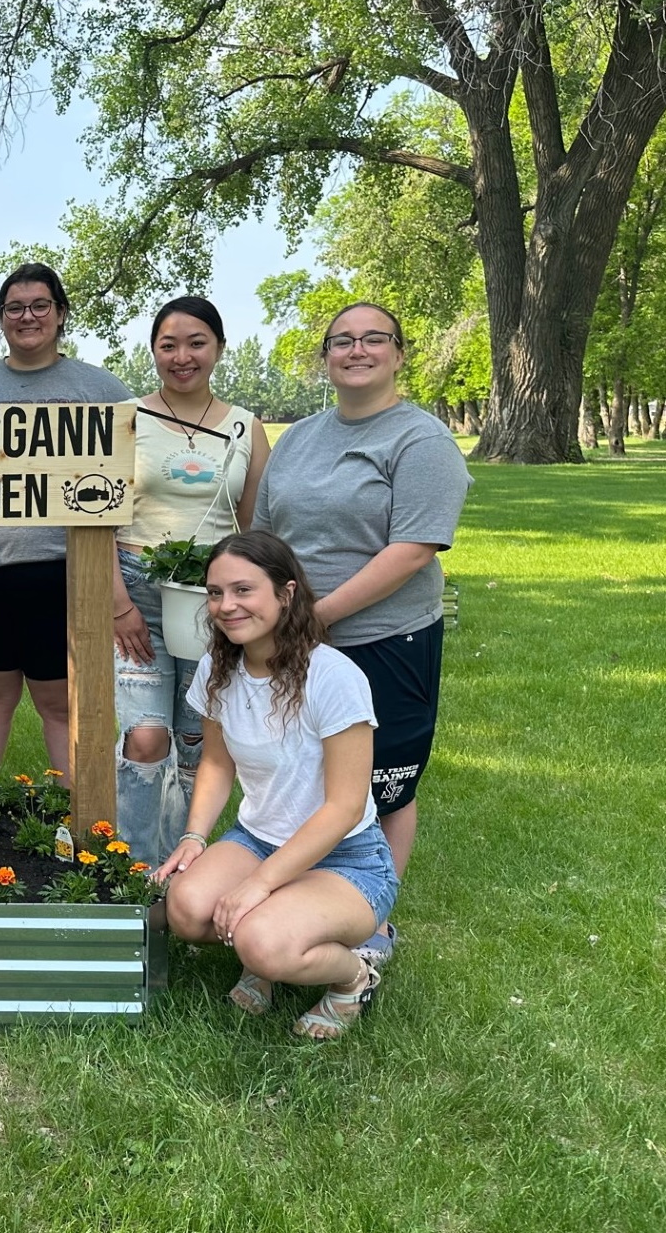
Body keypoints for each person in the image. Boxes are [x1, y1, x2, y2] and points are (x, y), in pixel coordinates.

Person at [253, 302, 470, 967]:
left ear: (399, 354)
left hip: (384, 637)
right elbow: (265, 533)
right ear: (325, 357)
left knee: (382, 780)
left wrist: (318, 614)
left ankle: (373, 921)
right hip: (296, 637)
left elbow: (413, 547)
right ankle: (302, 897)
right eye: (341, 340)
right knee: (303, 774)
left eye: (374, 339)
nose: (356, 350)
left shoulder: (420, 439)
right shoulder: (298, 438)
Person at [152, 532, 396, 1040]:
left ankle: (353, 975)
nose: (226, 605)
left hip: (347, 858)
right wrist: (194, 838)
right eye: (216, 593)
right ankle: (265, 937)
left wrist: (258, 885)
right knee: (186, 911)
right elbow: (216, 763)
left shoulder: (334, 677)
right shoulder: (217, 668)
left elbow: (345, 807)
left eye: (244, 590)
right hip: (258, 839)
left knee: (262, 942)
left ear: (286, 594)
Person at [0, 263, 132, 781]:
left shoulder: (102, 390)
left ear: (61, 313)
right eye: (15, 308)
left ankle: (83, 822)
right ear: (1, 317)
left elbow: (136, 484)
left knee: (64, 706)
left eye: (40, 305)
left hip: (66, 574)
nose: (27, 317)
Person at [114, 296, 270, 867]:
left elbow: (254, 528)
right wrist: (118, 605)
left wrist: (248, 605)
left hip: (216, 600)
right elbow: (93, 519)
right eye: (168, 345)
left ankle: (177, 867)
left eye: (197, 343)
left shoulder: (246, 427)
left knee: (197, 738)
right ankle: (133, 869)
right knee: (146, 736)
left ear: (219, 348)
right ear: (153, 352)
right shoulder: (125, 419)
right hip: (136, 592)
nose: (182, 356)